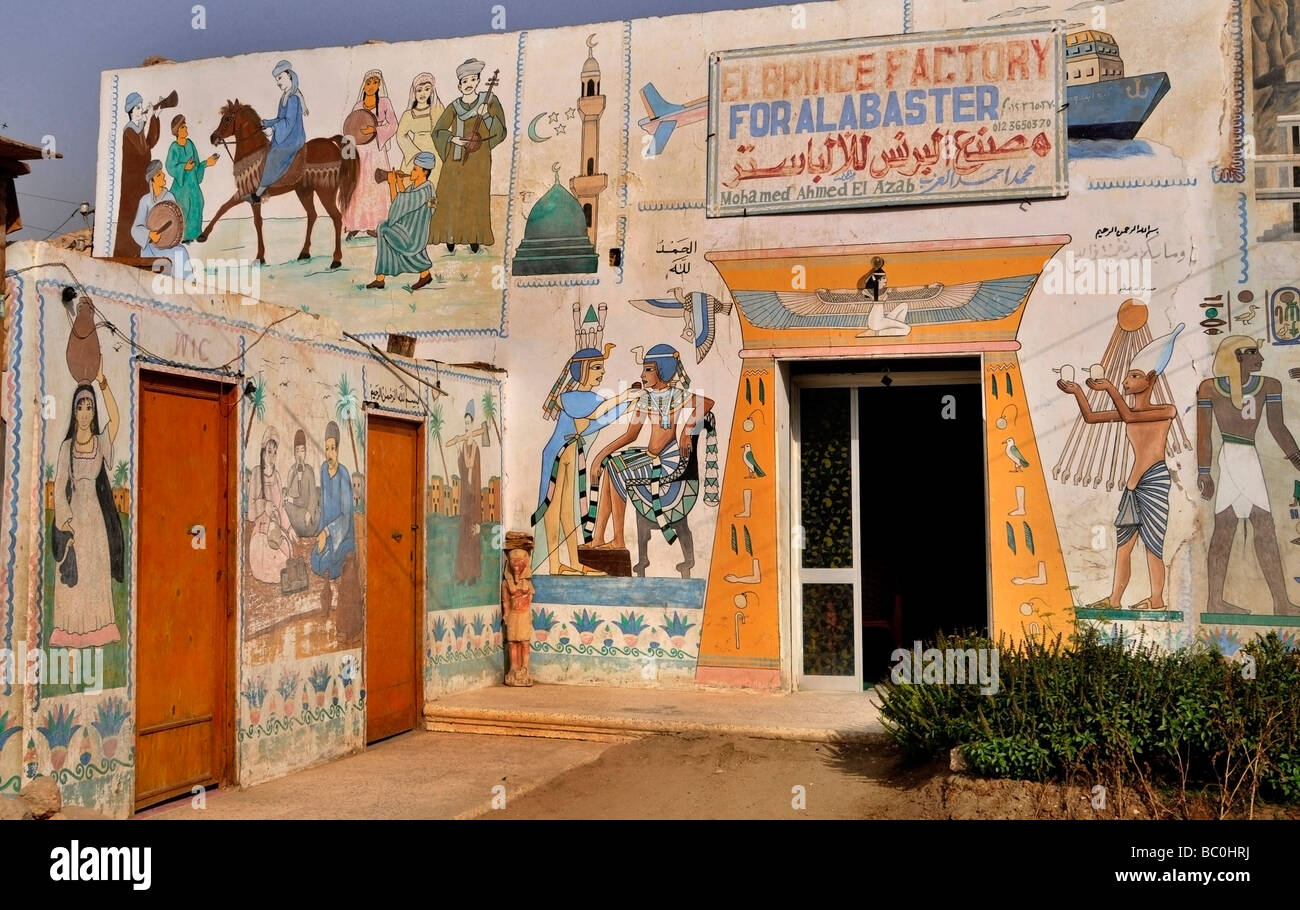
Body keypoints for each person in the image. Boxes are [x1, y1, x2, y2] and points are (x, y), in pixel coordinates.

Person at [1058, 325, 1181, 610]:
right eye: (1127, 375)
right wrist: (1077, 391)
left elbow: (1128, 415)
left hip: (1154, 480)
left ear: (1150, 379)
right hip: (1132, 485)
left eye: (1134, 375)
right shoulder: (1132, 412)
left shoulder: (1165, 410)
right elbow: (1090, 417)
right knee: (1124, 545)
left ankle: (1157, 600)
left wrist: (1110, 388)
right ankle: (1114, 599)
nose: (1127, 380)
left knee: (1152, 545)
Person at [1197, 335, 1300, 615]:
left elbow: (1277, 427)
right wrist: (1203, 471)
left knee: (1261, 526)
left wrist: (1296, 457)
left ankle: (1280, 602)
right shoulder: (1209, 389)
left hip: (1249, 458)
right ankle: (1216, 601)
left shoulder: (1269, 385)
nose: (1261, 359)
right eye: (1254, 353)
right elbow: (1204, 435)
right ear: (1238, 356)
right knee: (1229, 526)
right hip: (1230, 457)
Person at [585, 344, 715, 554]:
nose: (642, 374)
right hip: (651, 457)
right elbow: (631, 435)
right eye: (643, 369)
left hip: (670, 460)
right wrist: (600, 456)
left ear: (662, 369)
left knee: (617, 470)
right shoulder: (645, 398)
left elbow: (707, 402)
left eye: (648, 369)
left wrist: (687, 430)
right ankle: (598, 538)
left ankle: (618, 540)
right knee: (610, 465)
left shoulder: (676, 395)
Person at [532, 344, 637, 574]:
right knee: (553, 510)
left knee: (569, 513)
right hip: (557, 455)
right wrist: (626, 396)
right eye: (598, 367)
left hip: (572, 453)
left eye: (602, 367)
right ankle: (553, 565)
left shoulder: (591, 398)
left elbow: (604, 418)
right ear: (584, 370)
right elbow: (598, 412)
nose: (602, 372)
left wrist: (632, 403)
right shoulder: (569, 398)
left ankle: (573, 561)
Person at [51, 374, 125, 647]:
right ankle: (70, 637)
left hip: (95, 519)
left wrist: (104, 382)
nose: (84, 413)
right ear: (74, 411)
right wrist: (65, 522)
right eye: (80, 407)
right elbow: (59, 487)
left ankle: (97, 631)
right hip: (73, 518)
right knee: (73, 578)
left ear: (94, 413)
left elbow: (115, 420)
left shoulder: (99, 442)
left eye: (89, 407)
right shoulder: (66, 447)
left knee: (94, 574)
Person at [428, 58, 506, 253]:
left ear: (478, 81)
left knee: (475, 195)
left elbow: (501, 130)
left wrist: (486, 115)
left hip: (478, 159)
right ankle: (450, 235)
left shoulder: (489, 101)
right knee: (451, 195)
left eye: (472, 80)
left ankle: (474, 237)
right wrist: (452, 139)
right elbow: (438, 131)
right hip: (455, 159)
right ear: (459, 85)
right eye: (464, 81)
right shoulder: (455, 106)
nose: (468, 84)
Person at [313, 421, 362, 640]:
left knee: (347, 565)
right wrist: (320, 532)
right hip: (328, 534)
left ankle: (347, 625)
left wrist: (329, 532)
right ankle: (324, 607)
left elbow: (346, 515)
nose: (329, 453)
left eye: (333, 448)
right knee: (317, 557)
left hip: (344, 536)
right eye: (327, 448)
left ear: (338, 449)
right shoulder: (323, 470)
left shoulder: (344, 475)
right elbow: (324, 504)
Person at [366, 151, 436, 290]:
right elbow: (406, 202)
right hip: (412, 230)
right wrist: (399, 183)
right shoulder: (419, 188)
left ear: (424, 172)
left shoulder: (424, 190)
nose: (412, 172)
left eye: (415, 169)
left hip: (413, 235)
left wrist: (392, 184)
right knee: (384, 228)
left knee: (383, 228)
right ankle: (424, 274)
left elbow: (399, 205)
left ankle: (381, 278)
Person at [343, 69, 398, 238]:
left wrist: (375, 129)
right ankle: (355, 224)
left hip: (377, 150)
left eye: (375, 82)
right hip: (360, 151)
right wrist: (348, 154)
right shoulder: (358, 106)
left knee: (376, 185)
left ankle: (375, 224)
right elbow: (349, 130)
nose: (371, 86)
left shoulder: (384, 103)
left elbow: (394, 124)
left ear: (379, 85)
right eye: (368, 83)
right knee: (358, 185)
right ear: (364, 85)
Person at [247, 59, 308, 205]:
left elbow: (289, 122)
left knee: (273, 156)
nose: (278, 82)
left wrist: (273, 129)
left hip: (293, 137)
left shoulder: (293, 98)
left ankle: (259, 193)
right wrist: (266, 123)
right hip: (286, 134)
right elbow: (281, 118)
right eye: (276, 79)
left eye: (280, 78)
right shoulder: (285, 96)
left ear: (290, 76)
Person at [114, 91, 161, 257]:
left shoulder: (137, 129)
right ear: (131, 111)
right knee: (132, 217)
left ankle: (141, 251)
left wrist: (154, 117)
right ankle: (127, 252)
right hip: (132, 185)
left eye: (141, 107)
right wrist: (143, 124)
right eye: (138, 108)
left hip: (141, 182)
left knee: (142, 215)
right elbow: (141, 149)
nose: (141, 110)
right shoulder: (129, 130)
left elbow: (150, 143)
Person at [131, 160, 193, 279]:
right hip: (151, 247)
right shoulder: (145, 200)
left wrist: (170, 236)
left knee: (181, 252)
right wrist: (149, 235)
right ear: (152, 180)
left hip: (168, 245)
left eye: (162, 173)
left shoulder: (169, 196)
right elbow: (135, 228)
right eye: (159, 175)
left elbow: (175, 222)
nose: (164, 175)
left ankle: (187, 286)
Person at [247, 426, 292, 585]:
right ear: (262, 451)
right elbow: (250, 513)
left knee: (287, 554)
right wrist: (264, 505)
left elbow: (281, 508)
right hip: (261, 533)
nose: (271, 456)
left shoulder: (278, 476)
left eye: (274, 452)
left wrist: (290, 528)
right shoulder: (255, 474)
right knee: (266, 563)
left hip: (276, 531)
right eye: (268, 451)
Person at [448, 400, 485, 585]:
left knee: (473, 538)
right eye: (465, 424)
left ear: (473, 424)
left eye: (469, 423)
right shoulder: (464, 447)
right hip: (465, 500)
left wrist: (478, 518)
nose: (466, 426)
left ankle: (472, 575)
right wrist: (456, 447)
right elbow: (462, 470)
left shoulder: (476, 449)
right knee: (464, 538)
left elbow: (476, 479)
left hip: (473, 500)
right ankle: (462, 575)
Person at [165, 115, 219, 242]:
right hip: (181, 185)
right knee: (183, 206)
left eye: (185, 126)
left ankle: (194, 235)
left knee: (198, 202)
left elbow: (197, 164)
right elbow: (170, 166)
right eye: (183, 127)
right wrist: (184, 167)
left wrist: (207, 163)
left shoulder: (190, 144)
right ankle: (182, 236)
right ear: (177, 131)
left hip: (193, 184)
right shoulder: (174, 147)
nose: (186, 128)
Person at [396, 73, 444, 184]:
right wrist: (414, 152)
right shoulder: (408, 114)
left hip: (434, 150)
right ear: (414, 92)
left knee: (434, 181)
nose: (423, 93)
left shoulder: (437, 110)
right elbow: (400, 135)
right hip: (415, 152)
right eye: (419, 90)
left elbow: (444, 130)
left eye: (427, 89)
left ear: (432, 91)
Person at [502, 548, 534, 686]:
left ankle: (525, 669)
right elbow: (506, 601)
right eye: (513, 563)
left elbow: (530, 597)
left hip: (524, 614)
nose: (516, 567)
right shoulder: (506, 583)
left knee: (524, 642)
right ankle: (513, 668)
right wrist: (506, 613)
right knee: (512, 642)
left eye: (519, 563)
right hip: (513, 615)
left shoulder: (527, 583)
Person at [283, 428, 319, 538]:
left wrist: (310, 511)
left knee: (313, 516)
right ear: (294, 453)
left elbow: (313, 495)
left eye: (302, 451)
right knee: (287, 507)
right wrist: (297, 477)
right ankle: (295, 529)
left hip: (307, 512)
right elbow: (289, 494)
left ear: (306, 453)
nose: (300, 455)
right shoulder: (291, 471)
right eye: (297, 451)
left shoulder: (309, 470)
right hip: (296, 511)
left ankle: (305, 528)